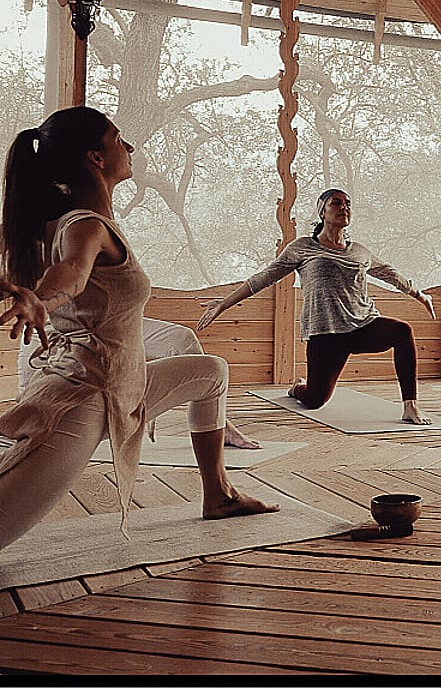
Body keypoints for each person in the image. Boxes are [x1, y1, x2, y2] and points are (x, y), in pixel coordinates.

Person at [0, 106, 278, 550]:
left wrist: (36, 296)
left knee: (212, 372)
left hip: (120, 384)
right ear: (96, 156)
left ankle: (219, 495)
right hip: (85, 401)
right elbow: (71, 272)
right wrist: (42, 299)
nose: (128, 147)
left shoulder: (53, 222)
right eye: (118, 138)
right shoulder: (85, 226)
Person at [197, 188, 436, 424]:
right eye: (336, 203)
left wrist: (420, 294)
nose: (344, 207)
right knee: (314, 400)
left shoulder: (359, 251)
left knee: (402, 331)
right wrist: (224, 302)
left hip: (363, 325)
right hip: (326, 334)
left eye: (348, 204)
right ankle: (298, 388)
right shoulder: (303, 248)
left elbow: (389, 273)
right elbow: (265, 277)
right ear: (322, 211)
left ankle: (410, 406)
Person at [17, 316, 262, 449]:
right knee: (43, 415)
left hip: (108, 316)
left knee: (183, 340)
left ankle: (222, 426)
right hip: (55, 326)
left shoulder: (100, 227)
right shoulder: (39, 232)